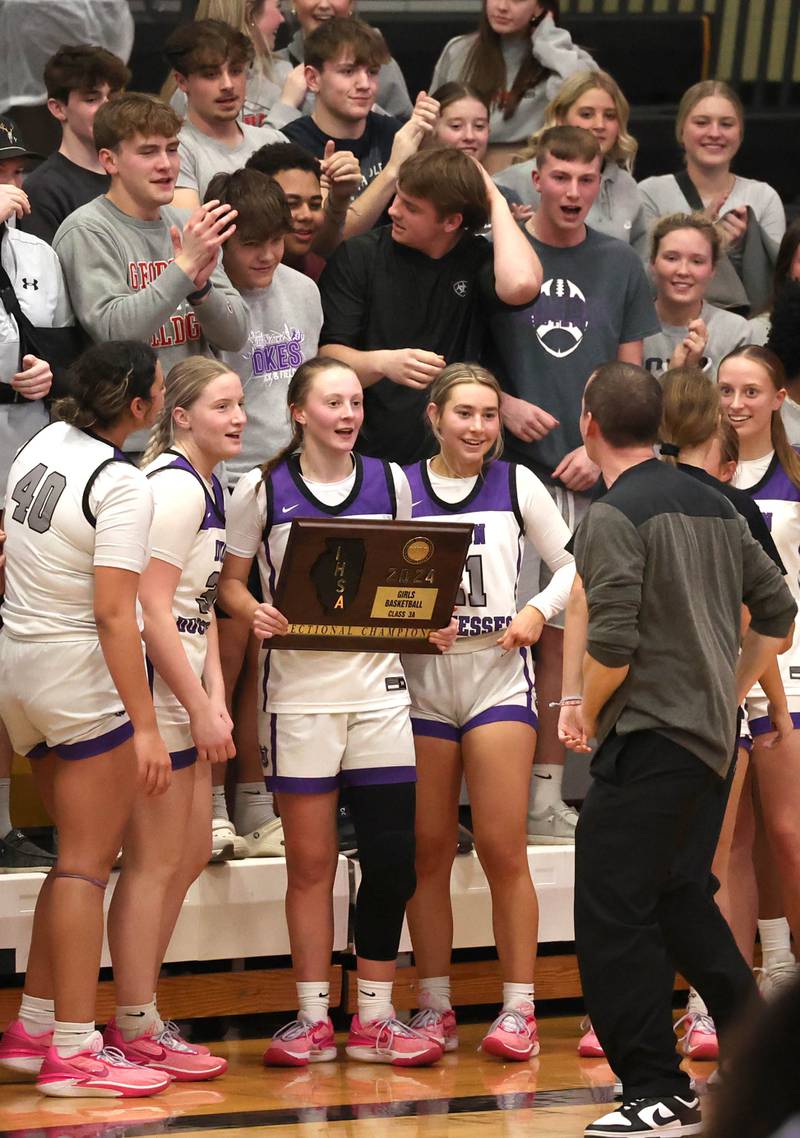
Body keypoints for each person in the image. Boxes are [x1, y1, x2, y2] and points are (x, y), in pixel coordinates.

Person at [560, 360, 794, 1138]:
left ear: (589, 422)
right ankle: (772, 1058)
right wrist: (727, 689)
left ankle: (655, 1090)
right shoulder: (718, 502)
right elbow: (779, 609)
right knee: (678, 897)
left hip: (651, 739)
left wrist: (583, 714)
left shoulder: (614, 514)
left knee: (610, 909)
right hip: (711, 742)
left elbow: (615, 642)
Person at [218, 355, 452, 1066]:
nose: (348, 414)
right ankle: (314, 1016)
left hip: (378, 696)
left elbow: (410, 582)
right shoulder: (262, 488)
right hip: (300, 700)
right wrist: (253, 609)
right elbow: (229, 584)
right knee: (311, 865)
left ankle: (376, 1017)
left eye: (354, 402)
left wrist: (426, 624)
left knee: (392, 859)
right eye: (333, 403)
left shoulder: (392, 482)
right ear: (298, 413)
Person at [0, 340, 172, 1098]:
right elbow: (113, 613)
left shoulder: (42, 438)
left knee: (69, 859)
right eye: (159, 387)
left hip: (18, 667)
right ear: (138, 405)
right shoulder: (122, 483)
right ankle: (74, 1046)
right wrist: (143, 723)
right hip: (75, 673)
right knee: (84, 866)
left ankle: (34, 1029)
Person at [485, 124, 658, 843]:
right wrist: (502, 403)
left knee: (566, 634)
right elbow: (465, 352)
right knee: (500, 629)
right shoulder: (504, 256)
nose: (573, 193)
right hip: (506, 474)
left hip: (590, 477)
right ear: (535, 177)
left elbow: (630, 378)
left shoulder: (619, 262)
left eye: (588, 180)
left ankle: (546, 795)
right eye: (560, 177)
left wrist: (606, 446)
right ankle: (486, 794)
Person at [400, 363, 575, 1061]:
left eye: (489, 415)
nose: (477, 427)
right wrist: (410, 625)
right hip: (421, 684)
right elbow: (379, 580)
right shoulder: (398, 486)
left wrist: (536, 609)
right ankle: (434, 1004)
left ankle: (519, 1008)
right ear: (436, 416)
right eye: (464, 413)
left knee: (504, 848)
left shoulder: (517, 483)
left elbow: (572, 563)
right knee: (428, 851)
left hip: (498, 675)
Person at [100, 358, 241, 1080]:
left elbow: (200, 603)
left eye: (241, 403)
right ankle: (130, 1022)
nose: (240, 417)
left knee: (184, 858)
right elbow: (150, 608)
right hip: (154, 689)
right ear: (180, 416)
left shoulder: (208, 484)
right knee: (154, 863)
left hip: (184, 684)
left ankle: (142, 1012)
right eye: (222, 406)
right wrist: (193, 703)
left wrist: (216, 695)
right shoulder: (174, 487)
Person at [203, 167, 323, 857]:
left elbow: (297, 389)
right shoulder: (208, 298)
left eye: (277, 240)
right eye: (251, 242)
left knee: (269, 654)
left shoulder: (302, 292)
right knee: (222, 651)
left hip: (288, 488)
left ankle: (254, 804)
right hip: (223, 488)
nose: (266, 255)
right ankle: (213, 805)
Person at [318, 146, 543, 465]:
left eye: (410, 207)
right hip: (369, 459)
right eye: (397, 197)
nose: (393, 211)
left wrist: (494, 198)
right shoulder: (359, 256)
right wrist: (384, 363)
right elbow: (327, 360)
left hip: (451, 462)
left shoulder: (475, 258)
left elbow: (521, 284)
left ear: (451, 222)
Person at [52, 92, 248, 453]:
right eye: (148, 152)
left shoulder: (189, 226)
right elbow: (115, 332)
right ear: (109, 160)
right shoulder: (87, 231)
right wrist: (184, 269)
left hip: (195, 439)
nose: (166, 165)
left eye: (172, 149)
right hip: (127, 444)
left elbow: (236, 334)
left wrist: (202, 291)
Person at [1, 122, 75, 873]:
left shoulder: (37, 255)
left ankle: (52, 821)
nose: (10, 182)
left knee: (31, 649)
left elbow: (58, 346)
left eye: (15, 166)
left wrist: (48, 374)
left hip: (28, 469)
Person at [718, 346, 800, 992]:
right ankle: (746, 983)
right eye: (726, 391)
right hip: (717, 677)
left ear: (779, 399)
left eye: (750, 392)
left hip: (788, 672)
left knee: (787, 831)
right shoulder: (701, 479)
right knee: (733, 840)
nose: (736, 405)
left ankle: (784, 968)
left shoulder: (796, 478)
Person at [637, 81, 786, 316]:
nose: (714, 133)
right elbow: (640, 280)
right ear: (681, 130)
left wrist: (741, 251)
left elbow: (776, 286)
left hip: (744, 335)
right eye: (701, 122)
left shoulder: (763, 197)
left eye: (726, 124)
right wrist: (701, 235)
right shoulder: (650, 193)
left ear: (740, 133)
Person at [430, 0, 596, 173]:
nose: (502, 6)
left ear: (540, 7)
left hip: (533, 172)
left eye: (516, 0)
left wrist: (549, 41)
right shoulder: (458, 50)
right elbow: (431, 123)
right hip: (457, 172)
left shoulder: (566, 57)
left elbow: (587, 104)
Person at [494, 69, 645, 244]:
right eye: (586, 114)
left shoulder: (627, 186)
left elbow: (641, 261)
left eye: (610, 116)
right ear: (560, 118)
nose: (600, 125)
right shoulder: (515, 181)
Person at [166, 20, 287, 210]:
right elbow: (193, 232)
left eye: (236, 71)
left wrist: (336, 200)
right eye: (211, 75)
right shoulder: (174, 150)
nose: (228, 85)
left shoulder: (273, 141)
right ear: (182, 82)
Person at [18, 45, 130, 245]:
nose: (107, 108)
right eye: (91, 99)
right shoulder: (43, 189)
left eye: (112, 97)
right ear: (58, 108)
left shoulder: (133, 171)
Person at [280, 17, 402, 194]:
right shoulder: (290, 145)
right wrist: (392, 170)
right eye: (348, 71)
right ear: (313, 79)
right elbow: (336, 223)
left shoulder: (393, 134)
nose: (365, 84)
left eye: (373, 72)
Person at [163, 0, 302, 130]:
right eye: (211, 75)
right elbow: (229, 150)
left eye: (236, 71)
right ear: (249, 14)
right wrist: (287, 104)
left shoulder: (283, 72)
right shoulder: (188, 95)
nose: (281, 19)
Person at [644, 213, 752, 380]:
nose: (683, 271)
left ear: (712, 269)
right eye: (672, 258)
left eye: (697, 261)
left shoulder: (736, 332)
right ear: (653, 263)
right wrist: (672, 375)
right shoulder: (630, 329)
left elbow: (737, 403)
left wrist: (695, 370)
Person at [275, 0, 412, 123]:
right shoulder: (271, 69)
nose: (324, 5)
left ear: (351, 3)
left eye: (371, 72)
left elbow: (408, 136)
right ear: (293, 3)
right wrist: (287, 105)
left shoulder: (383, 66)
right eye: (348, 71)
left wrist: (366, 110)